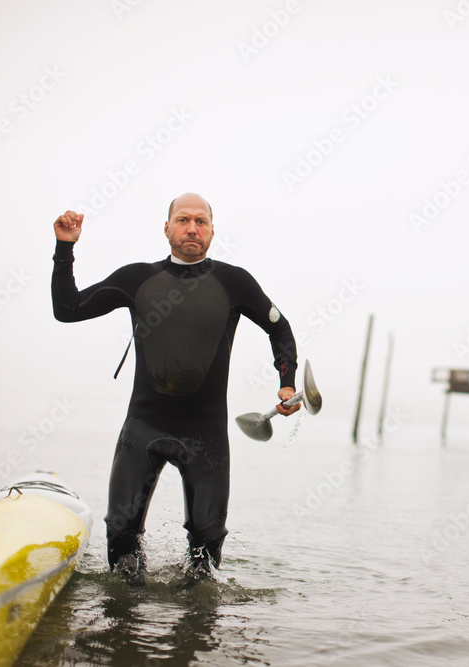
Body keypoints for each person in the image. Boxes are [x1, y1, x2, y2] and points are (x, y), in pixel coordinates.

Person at [50, 193, 299, 580]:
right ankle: (125, 627)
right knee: (120, 536)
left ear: (213, 231)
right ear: (167, 228)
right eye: (183, 220)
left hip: (206, 436)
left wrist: (287, 384)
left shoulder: (234, 282)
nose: (192, 228)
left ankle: (195, 628)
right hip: (143, 427)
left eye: (201, 221)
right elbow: (67, 310)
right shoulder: (137, 278)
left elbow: (278, 327)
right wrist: (64, 248)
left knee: (206, 549)